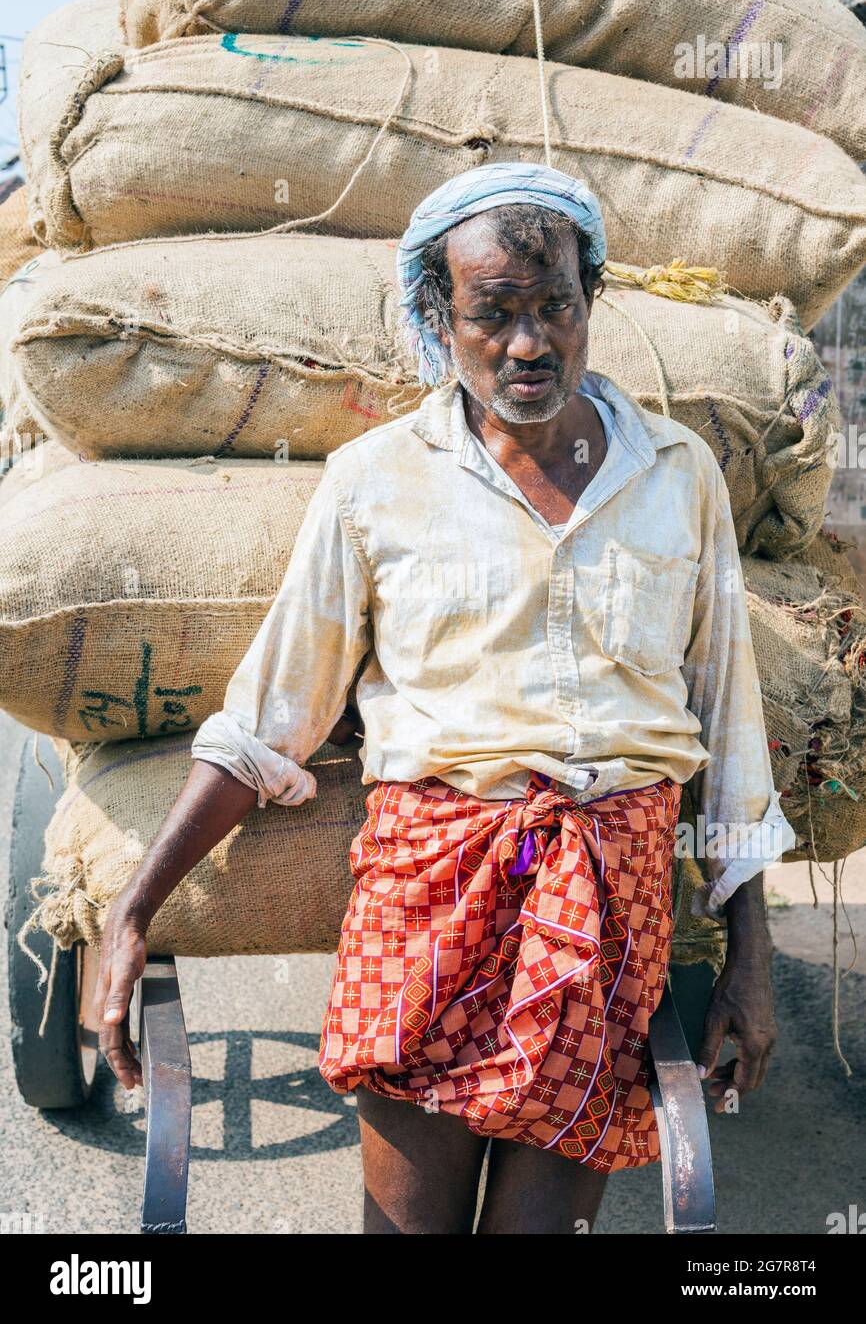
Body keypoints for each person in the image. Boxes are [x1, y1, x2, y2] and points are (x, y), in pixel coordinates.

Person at [95, 161, 797, 1234]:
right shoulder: (378, 479)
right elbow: (266, 719)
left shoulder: (677, 470)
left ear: (589, 301)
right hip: (429, 896)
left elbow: (726, 728)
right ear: (440, 320)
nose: (528, 343)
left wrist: (749, 958)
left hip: (606, 905)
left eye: (553, 306)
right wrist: (134, 911)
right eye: (493, 313)